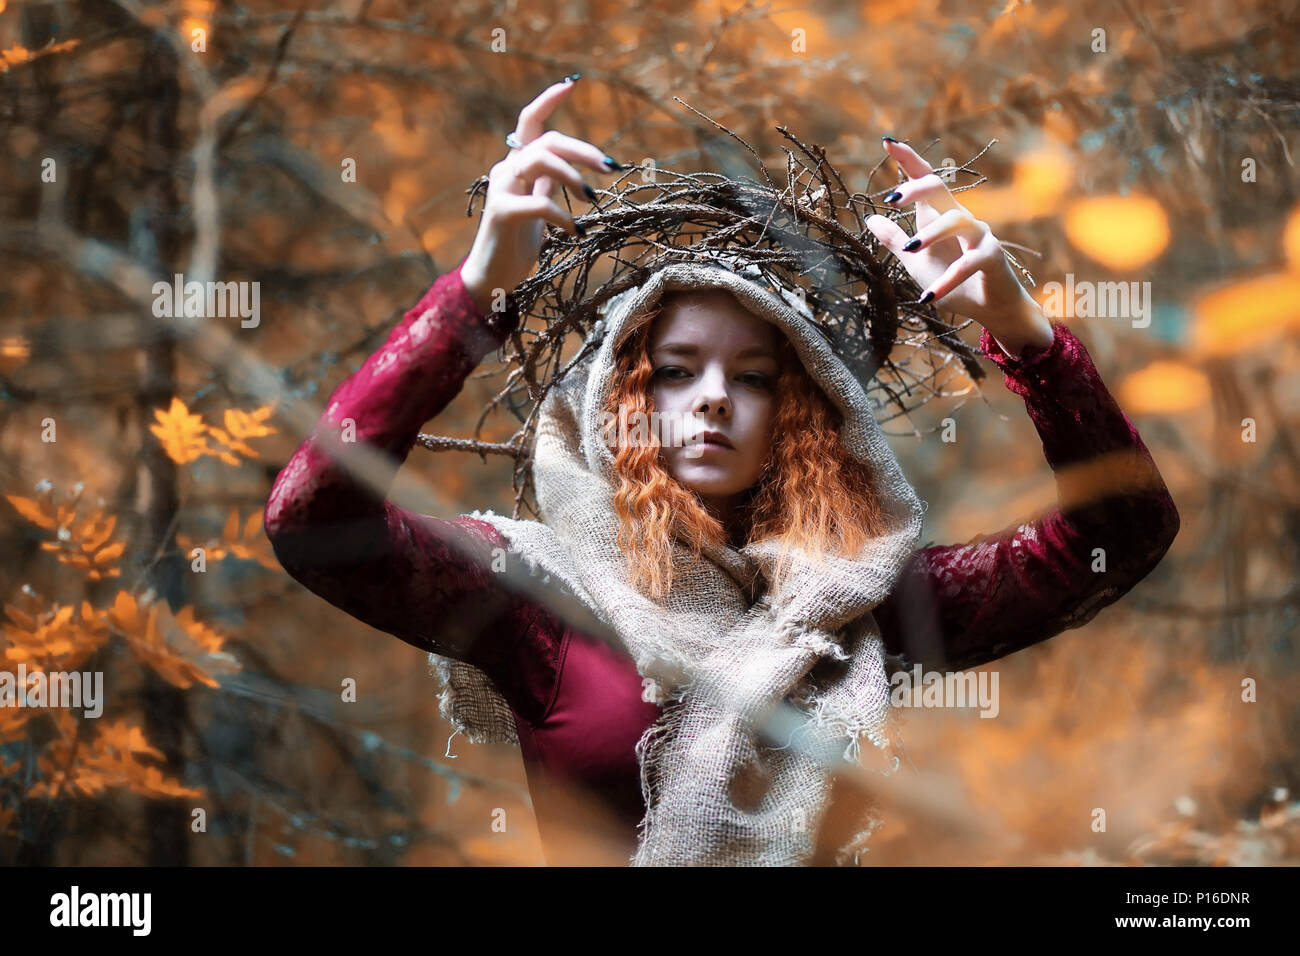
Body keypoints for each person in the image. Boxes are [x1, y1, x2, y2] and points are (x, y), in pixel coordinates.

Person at [264, 76, 1180, 866]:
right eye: (674, 370)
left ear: (800, 415)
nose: (711, 399)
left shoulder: (868, 601)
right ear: (625, 401)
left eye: (752, 378)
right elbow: (315, 519)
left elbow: (1123, 534)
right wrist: (474, 297)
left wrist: (1029, 341)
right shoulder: (540, 597)